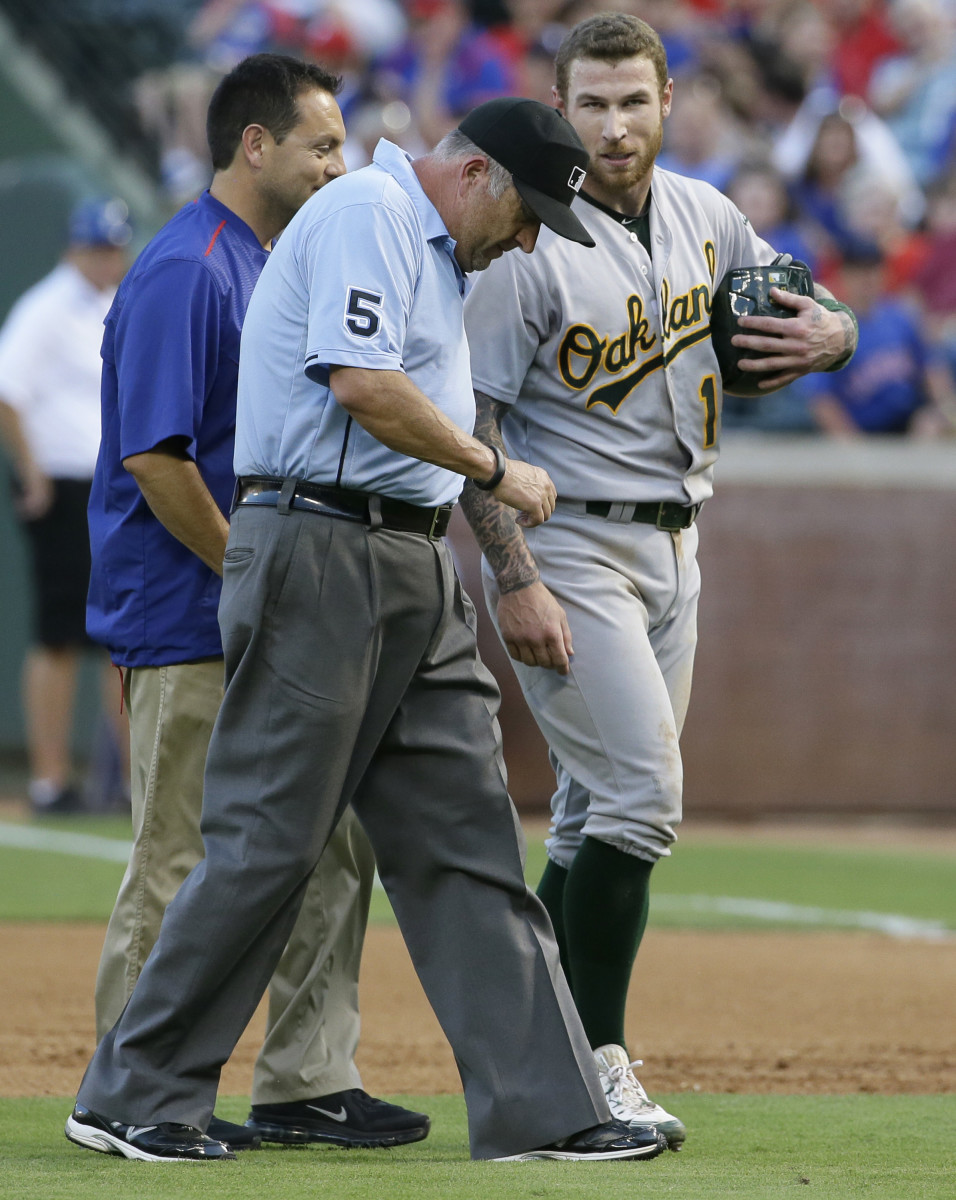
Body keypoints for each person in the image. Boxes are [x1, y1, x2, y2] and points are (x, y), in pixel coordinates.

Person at [65, 94, 670, 1166]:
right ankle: (132, 1091)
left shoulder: (438, 252)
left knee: (468, 841)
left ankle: (547, 1105)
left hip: (407, 554)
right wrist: (491, 465)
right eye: (527, 211)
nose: (530, 236)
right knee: (264, 839)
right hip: (319, 542)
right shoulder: (369, 212)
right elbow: (360, 386)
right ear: (477, 174)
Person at [460, 12, 858, 1152]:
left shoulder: (705, 213)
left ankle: (529, 1060)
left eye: (631, 100)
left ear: (667, 98)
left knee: (593, 813)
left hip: (678, 539)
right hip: (567, 541)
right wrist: (515, 578)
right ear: (559, 105)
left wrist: (828, 332)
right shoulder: (527, 233)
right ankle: (595, 1071)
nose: (613, 124)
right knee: (642, 799)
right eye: (590, 103)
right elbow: (471, 424)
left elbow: (805, 301)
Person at [84, 52, 428, 1154]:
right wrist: (250, 578)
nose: (338, 164)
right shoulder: (189, 267)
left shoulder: (269, 262)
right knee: (182, 857)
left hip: (264, 609)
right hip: (189, 614)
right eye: (321, 144)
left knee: (327, 849)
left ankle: (305, 1080)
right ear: (254, 144)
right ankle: (129, 1091)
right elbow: (154, 457)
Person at [0, 198, 131, 816]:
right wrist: (31, 473)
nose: (108, 258)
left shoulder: (116, 303)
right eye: (98, 248)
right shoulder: (46, 307)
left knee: (120, 635)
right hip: (61, 483)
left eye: (115, 248)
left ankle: (133, 783)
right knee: (58, 634)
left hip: (110, 484)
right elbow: (8, 392)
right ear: (73, 248)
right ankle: (51, 779)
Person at [798, 237, 956, 435]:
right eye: (859, 272)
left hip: (909, 424)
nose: (866, 279)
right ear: (844, 275)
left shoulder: (900, 316)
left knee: (930, 423)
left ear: (884, 273)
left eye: (872, 270)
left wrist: (946, 411)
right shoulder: (830, 327)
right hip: (864, 431)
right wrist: (855, 451)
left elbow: (931, 367)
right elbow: (821, 399)